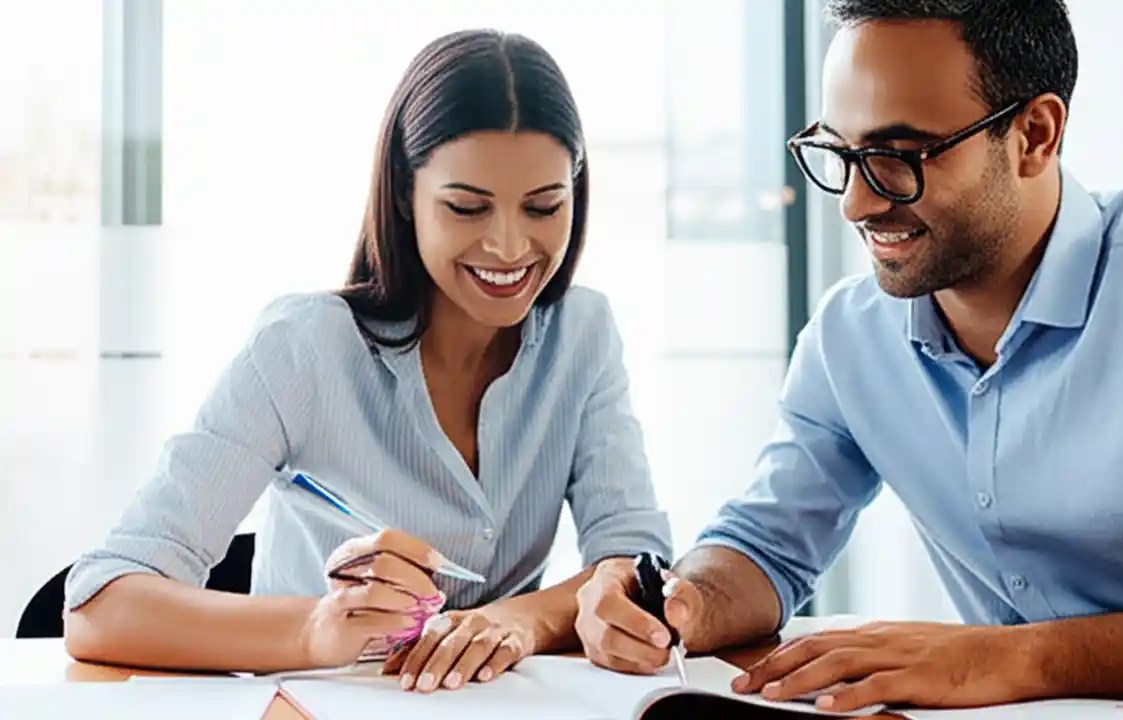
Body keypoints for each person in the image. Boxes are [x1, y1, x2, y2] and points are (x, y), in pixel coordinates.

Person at [576, 0, 1123, 711]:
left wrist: (1017, 658)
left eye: (898, 157)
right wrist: (683, 602)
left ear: (1035, 134)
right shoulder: (852, 336)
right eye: (841, 154)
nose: (854, 203)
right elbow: (763, 548)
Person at [64, 29, 671, 692]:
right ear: (407, 196)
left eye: (544, 206)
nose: (508, 245)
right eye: (466, 207)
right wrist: (316, 629)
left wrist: (518, 620)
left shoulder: (583, 334)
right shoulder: (302, 349)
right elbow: (99, 605)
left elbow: (635, 561)